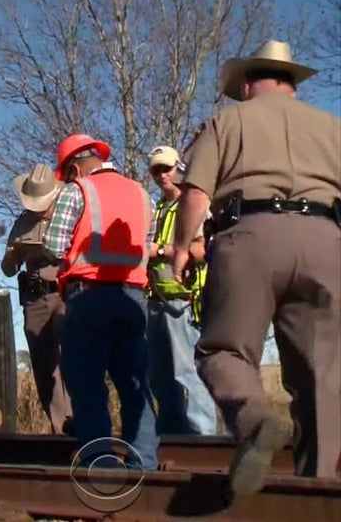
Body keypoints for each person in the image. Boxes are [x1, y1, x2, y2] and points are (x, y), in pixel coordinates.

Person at [172, 39, 341, 495]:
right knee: (322, 376)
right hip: (326, 240)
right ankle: (320, 492)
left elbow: (195, 193)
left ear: (246, 85)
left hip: (250, 236)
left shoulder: (226, 122)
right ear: (292, 85)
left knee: (222, 350)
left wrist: (182, 248)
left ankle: (255, 419)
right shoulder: (332, 127)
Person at [42, 133, 159, 471]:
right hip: (132, 296)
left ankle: (99, 460)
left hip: (89, 295)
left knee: (87, 380)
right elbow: (147, 243)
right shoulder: (142, 194)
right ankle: (144, 461)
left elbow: (52, 246)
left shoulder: (77, 190)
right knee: (135, 382)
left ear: (74, 168)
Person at [145, 146, 218, 436]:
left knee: (189, 373)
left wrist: (161, 251)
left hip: (184, 301)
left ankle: (204, 439)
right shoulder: (158, 208)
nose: (162, 175)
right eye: (156, 170)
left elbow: (205, 250)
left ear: (180, 168)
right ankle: (172, 440)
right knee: (160, 378)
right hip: (157, 301)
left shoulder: (195, 204)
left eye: (167, 168)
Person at [1, 163, 74, 435]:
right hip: (34, 298)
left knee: (74, 358)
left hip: (65, 293)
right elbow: (7, 269)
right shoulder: (22, 222)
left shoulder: (71, 214)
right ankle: (60, 429)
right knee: (44, 367)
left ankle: (81, 422)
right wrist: (15, 255)